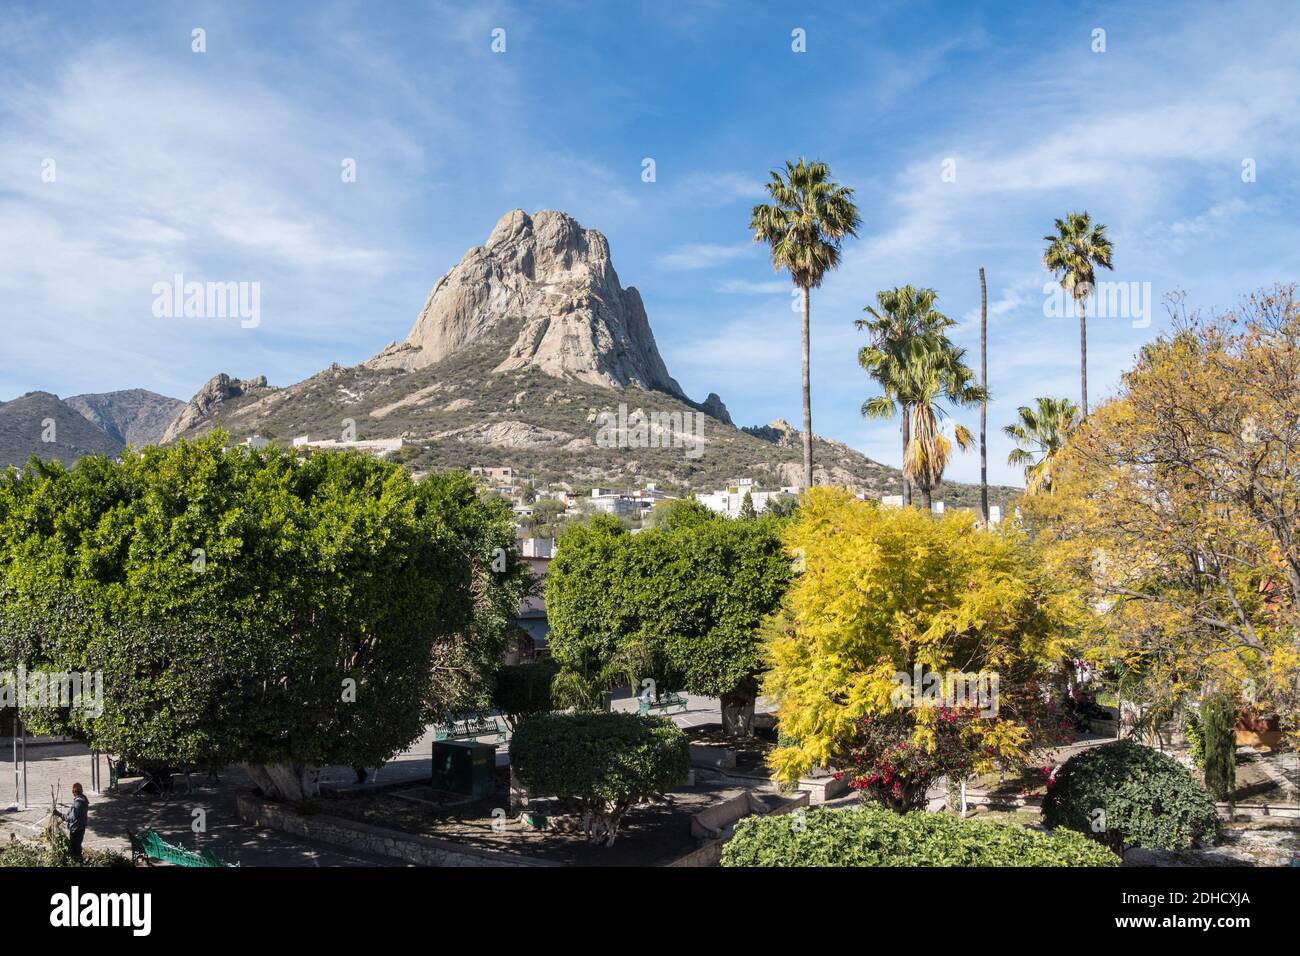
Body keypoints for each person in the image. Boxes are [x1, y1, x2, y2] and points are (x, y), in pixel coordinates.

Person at [64, 782, 90, 863]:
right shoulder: (84, 799)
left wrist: (60, 814)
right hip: (81, 827)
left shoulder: (78, 803)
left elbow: (72, 818)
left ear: (73, 792)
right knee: (77, 847)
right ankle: (79, 861)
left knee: (75, 849)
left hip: (76, 829)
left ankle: (78, 863)